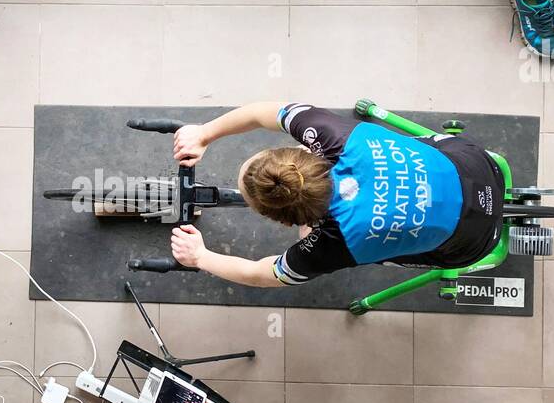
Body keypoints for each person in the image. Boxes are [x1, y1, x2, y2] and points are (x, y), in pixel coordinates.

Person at [169, 101, 503, 288]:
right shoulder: (328, 135)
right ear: (296, 151)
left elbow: (265, 273)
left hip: (472, 245)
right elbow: (261, 113)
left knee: (376, 249)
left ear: (280, 218)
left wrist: (200, 258)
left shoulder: (332, 243)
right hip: (478, 166)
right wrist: (204, 133)